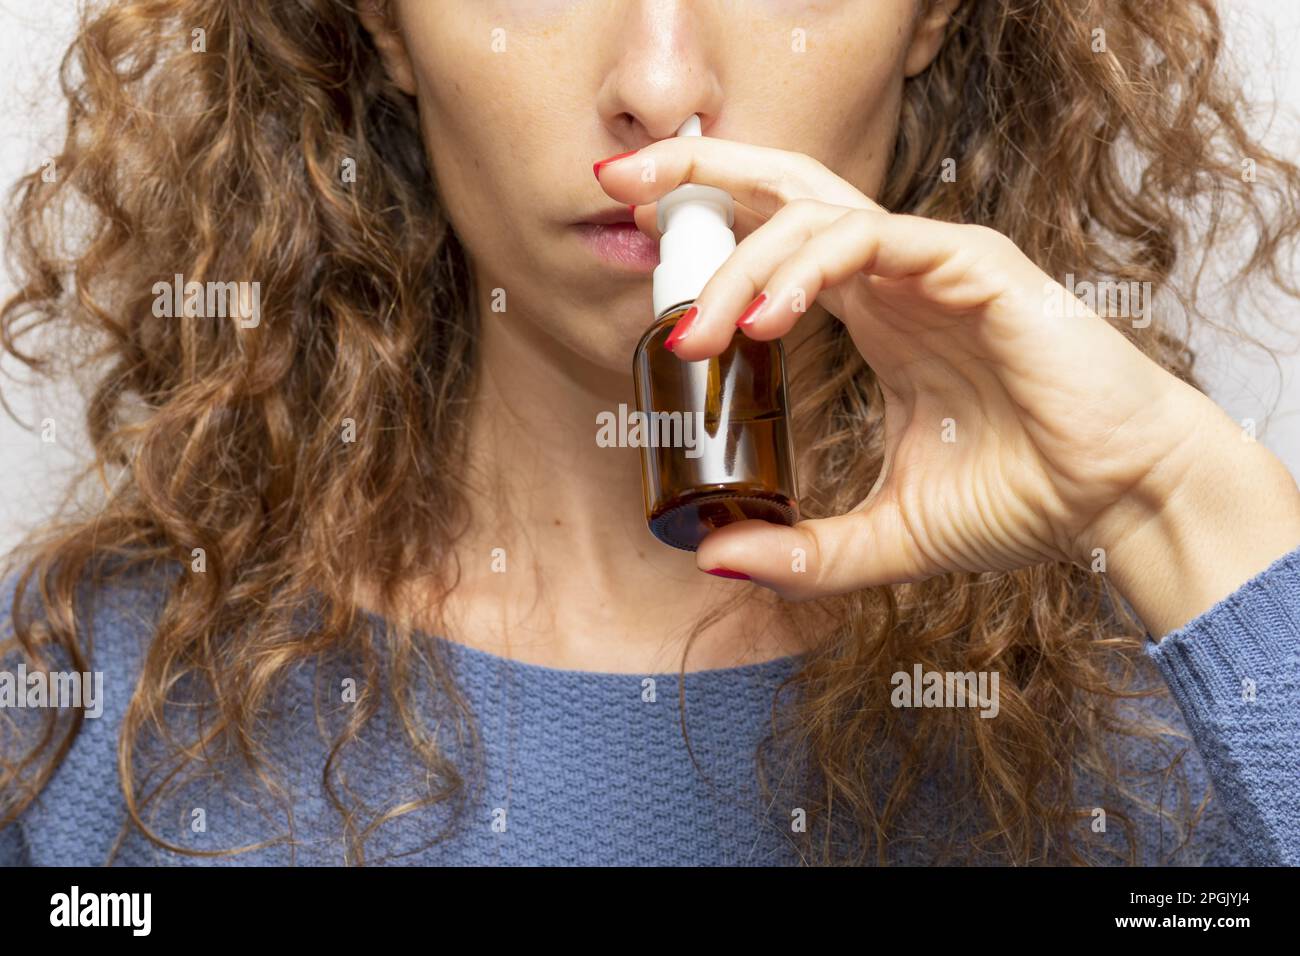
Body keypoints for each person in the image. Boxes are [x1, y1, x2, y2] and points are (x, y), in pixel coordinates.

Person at [1, 0, 1297, 866]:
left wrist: (1176, 506)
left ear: (935, 15)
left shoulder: (1184, 697)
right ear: (390, 24)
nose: (661, 86)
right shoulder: (65, 711)